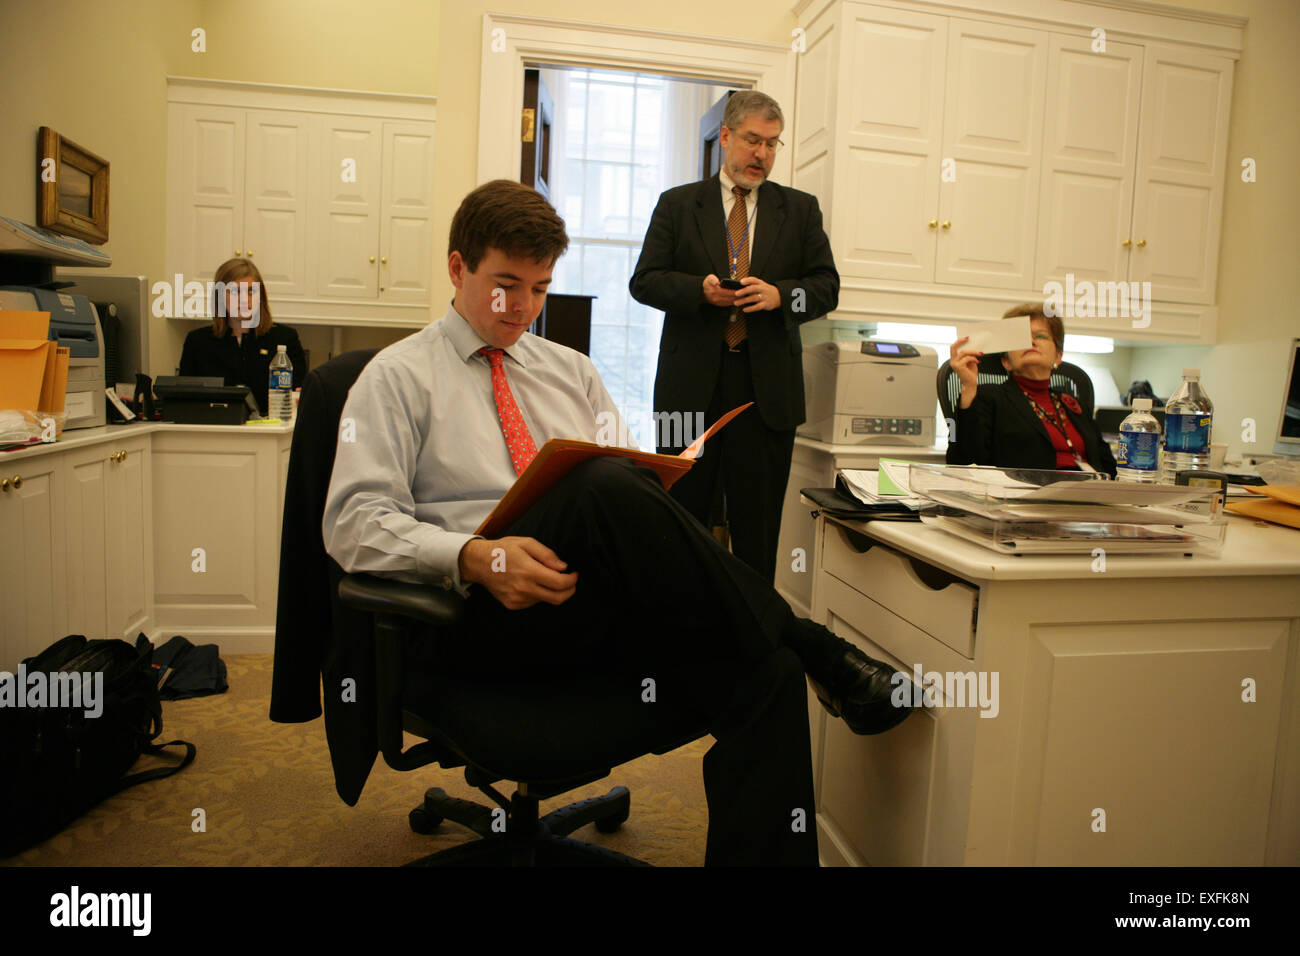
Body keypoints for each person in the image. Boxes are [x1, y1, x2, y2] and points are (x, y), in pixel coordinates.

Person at [322, 180, 915, 866]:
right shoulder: (395, 378)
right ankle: (816, 644)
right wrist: (473, 557)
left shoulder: (570, 371)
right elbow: (352, 523)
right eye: (504, 285)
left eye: (540, 289)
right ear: (457, 268)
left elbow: (630, 501)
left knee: (766, 673)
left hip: (589, 608)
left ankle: (795, 660)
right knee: (599, 483)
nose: (523, 308)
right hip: (475, 618)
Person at [629, 91, 838, 585]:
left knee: (758, 527)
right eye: (752, 140)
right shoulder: (677, 204)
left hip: (767, 394)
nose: (761, 154)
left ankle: (752, 636)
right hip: (689, 389)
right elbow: (644, 282)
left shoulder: (801, 210)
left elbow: (826, 290)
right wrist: (699, 291)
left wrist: (782, 297)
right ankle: (684, 628)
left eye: (771, 143)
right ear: (726, 137)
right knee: (683, 519)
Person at [946, 302, 1118, 476]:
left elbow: (1108, 466)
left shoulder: (1073, 404)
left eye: (1041, 336)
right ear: (1006, 361)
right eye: (1022, 338)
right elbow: (961, 462)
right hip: (1025, 496)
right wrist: (968, 387)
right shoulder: (989, 397)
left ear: (1058, 356)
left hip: (1089, 495)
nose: (1032, 342)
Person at [178, 258, 306, 416]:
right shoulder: (197, 342)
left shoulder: (284, 339)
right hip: (214, 432)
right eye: (234, 291)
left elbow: (301, 392)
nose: (244, 299)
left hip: (271, 433)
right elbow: (182, 398)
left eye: (251, 291)